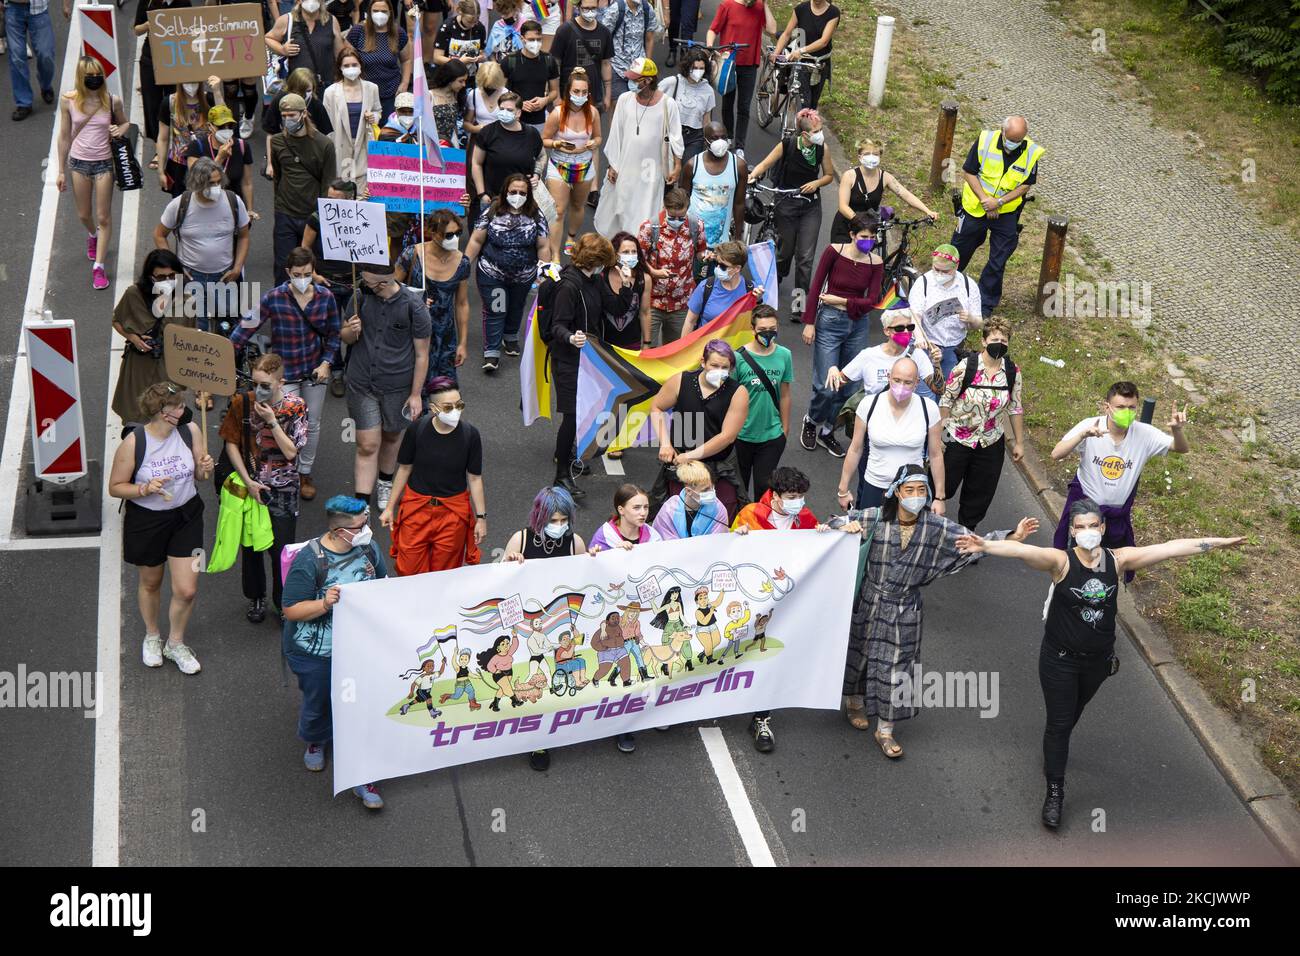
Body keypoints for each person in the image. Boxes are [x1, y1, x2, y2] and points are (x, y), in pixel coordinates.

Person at [955, 499, 1243, 828]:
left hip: (1098, 663)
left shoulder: (1118, 560)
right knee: (1060, 723)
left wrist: (1217, 543)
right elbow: (1023, 553)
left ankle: (1054, 749)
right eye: (1080, 527)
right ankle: (1055, 792)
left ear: (1103, 528)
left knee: (1073, 713)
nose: (1088, 532)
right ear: (1072, 531)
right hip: (1059, 661)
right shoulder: (1060, 562)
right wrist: (987, 545)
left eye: (1094, 526)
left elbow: (1171, 548)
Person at [832, 463, 1035, 756]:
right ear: (896, 492)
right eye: (909, 489)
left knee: (897, 668)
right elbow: (834, 524)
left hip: (905, 609)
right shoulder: (875, 518)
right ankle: (854, 700)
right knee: (859, 653)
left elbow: (973, 542)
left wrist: (1010, 536)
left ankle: (885, 730)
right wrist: (845, 525)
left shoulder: (935, 527)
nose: (915, 495)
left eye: (921, 490)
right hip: (869, 601)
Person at [282, 494, 390, 808]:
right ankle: (315, 739)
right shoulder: (309, 561)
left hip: (359, 651)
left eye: (366, 522)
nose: (367, 530)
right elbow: (291, 609)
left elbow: (383, 582)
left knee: (361, 711)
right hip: (316, 654)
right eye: (360, 526)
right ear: (338, 532)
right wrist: (324, 603)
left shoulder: (368, 547)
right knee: (319, 704)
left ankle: (363, 776)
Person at [108, 382, 215, 676]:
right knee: (151, 582)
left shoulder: (190, 430)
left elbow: (201, 476)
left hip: (188, 516)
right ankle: (152, 636)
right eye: (175, 407)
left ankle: (175, 643)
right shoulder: (134, 442)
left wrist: (205, 466)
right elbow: (115, 487)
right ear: (159, 412)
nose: (182, 411)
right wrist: (144, 488)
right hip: (147, 521)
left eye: (182, 405)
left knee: (187, 589)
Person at [233, 247, 340, 502]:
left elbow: (335, 335)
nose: (301, 278)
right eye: (296, 274)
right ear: (287, 273)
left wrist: (327, 362)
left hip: (314, 372)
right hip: (285, 375)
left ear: (313, 271)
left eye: (306, 273)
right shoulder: (274, 298)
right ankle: (285, 469)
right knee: (282, 422)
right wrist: (220, 355)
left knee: (311, 424)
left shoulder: (326, 297)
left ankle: (304, 472)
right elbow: (245, 328)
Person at [1049, 381, 1190, 561]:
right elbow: (1056, 454)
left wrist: (1177, 430)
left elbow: (1181, 448)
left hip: (1115, 519)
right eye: (1121, 407)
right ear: (1107, 407)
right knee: (1073, 563)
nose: (1127, 412)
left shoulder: (1144, 434)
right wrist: (1082, 436)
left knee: (1107, 566)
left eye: (1132, 407)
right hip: (1085, 516)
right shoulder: (1090, 425)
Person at [729, 464, 817, 753]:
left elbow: (819, 547)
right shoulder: (750, 515)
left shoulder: (804, 518)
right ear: (776, 496)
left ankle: (761, 717)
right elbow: (726, 553)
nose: (798, 501)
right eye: (792, 495)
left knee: (768, 655)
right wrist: (736, 539)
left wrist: (834, 533)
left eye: (801, 495)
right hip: (751, 602)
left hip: (786, 604)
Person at [501, 484, 587, 771]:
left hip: (558, 627)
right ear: (540, 516)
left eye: (564, 521)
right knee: (530, 678)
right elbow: (498, 584)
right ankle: (528, 733)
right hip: (528, 627)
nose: (559, 526)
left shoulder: (575, 543)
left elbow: (585, 579)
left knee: (552, 680)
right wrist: (510, 563)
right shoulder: (521, 539)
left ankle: (543, 736)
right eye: (554, 521)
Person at [219, 353, 308, 623]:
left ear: (281, 382)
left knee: (282, 550)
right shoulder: (241, 403)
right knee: (252, 547)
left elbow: (292, 452)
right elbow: (231, 443)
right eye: (254, 383)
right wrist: (247, 481)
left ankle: (283, 603)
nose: (258, 391)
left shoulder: (296, 407)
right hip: (251, 487)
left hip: (283, 491)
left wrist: (272, 421)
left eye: (265, 385)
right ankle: (256, 597)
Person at [342, 261, 432, 510]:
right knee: (367, 443)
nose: (363, 286)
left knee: (392, 437)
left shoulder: (414, 306)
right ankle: (361, 503)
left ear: (383, 283)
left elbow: (422, 354)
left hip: (397, 385)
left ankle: (385, 481)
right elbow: (345, 337)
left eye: (368, 283)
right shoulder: (359, 298)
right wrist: (351, 330)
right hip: (362, 383)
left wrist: (415, 395)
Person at [796, 211, 883, 457]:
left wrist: (842, 300)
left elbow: (873, 300)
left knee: (848, 385)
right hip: (830, 322)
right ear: (852, 235)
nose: (868, 241)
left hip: (858, 325)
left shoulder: (875, 263)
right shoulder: (834, 252)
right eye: (863, 236)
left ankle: (827, 430)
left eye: (872, 237)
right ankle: (812, 420)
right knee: (825, 385)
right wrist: (809, 321)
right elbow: (815, 287)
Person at [381, 377, 486, 573]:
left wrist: (481, 518)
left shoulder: (470, 435)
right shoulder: (417, 429)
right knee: (408, 570)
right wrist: (389, 508)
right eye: (448, 407)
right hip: (416, 509)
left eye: (459, 405)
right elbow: (404, 468)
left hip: (452, 515)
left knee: (444, 574)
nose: (455, 411)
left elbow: (474, 478)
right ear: (433, 408)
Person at [951, 115, 1044, 313]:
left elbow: (1025, 185)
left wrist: (999, 203)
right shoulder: (985, 141)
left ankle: (984, 305)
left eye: (1018, 141)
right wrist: (987, 200)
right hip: (975, 207)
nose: (1014, 144)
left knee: (998, 259)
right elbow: (969, 172)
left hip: (1006, 212)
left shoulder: (1031, 152)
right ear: (1002, 132)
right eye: (1011, 139)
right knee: (960, 250)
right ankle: (944, 285)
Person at [548, 233, 617, 497]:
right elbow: (557, 326)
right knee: (572, 416)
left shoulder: (594, 280)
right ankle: (561, 476)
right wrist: (571, 337)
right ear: (594, 261)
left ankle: (564, 456)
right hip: (568, 360)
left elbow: (614, 308)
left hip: (588, 359)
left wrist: (623, 287)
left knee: (583, 412)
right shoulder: (568, 287)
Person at [747, 108, 834, 316]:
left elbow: (829, 175)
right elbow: (765, 164)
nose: (821, 134)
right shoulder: (787, 145)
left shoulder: (823, 149)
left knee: (805, 258)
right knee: (785, 252)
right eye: (817, 130)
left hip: (810, 206)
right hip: (785, 205)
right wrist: (752, 177)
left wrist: (817, 183)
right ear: (804, 135)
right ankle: (773, 287)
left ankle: (799, 304)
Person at [650, 339, 750, 518]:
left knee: (722, 517)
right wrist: (665, 443)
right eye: (714, 365)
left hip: (719, 468)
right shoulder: (681, 381)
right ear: (702, 361)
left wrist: (690, 455)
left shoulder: (738, 392)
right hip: (682, 467)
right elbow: (656, 407)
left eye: (724, 368)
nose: (719, 372)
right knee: (679, 517)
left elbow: (727, 437)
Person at [939, 318, 1023, 531]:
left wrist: (1018, 443)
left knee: (979, 493)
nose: (1000, 343)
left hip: (990, 441)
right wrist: (939, 436)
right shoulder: (966, 367)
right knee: (942, 486)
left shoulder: (1012, 372)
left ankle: (967, 535)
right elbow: (946, 401)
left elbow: (1015, 407)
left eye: (1004, 340)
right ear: (984, 341)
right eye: (995, 339)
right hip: (957, 438)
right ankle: (929, 527)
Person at [154, 158, 251, 337]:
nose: (216, 187)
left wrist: (237, 268)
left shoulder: (233, 202)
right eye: (210, 183)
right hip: (191, 278)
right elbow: (159, 235)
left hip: (226, 277)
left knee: (227, 331)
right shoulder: (179, 205)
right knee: (196, 333)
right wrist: (177, 268)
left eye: (218, 182)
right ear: (196, 184)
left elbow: (244, 236)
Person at [57, 55, 128, 291]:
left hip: (104, 164)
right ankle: (92, 234)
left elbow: (126, 124)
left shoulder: (111, 100)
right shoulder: (68, 101)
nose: (96, 79)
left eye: (99, 75)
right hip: (79, 163)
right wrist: (60, 170)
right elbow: (64, 136)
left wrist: (120, 128)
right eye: (90, 76)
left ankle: (99, 266)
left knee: (104, 217)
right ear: (81, 78)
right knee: (84, 214)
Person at [837, 356, 946, 511]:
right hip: (875, 486)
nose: (901, 386)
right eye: (897, 380)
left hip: (911, 490)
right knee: (871, 534)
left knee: (908, 534)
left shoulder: (928, 409)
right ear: (889, 378)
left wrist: (939, 497)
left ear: (916, 383)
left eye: (908, 382)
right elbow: (855, 449)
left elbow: (935, 455)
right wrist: (843, 489)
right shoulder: (869, 405)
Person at [465, 172, 549, 370]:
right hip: (492, 273)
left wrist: (544, 273)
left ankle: (510, 335)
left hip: (524, 276)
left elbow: (544, 246)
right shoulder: (492, 211)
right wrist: (464, 265)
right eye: (513, 191)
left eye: (522, 192)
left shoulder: (536, 215)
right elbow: (476, 240)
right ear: (505, 192)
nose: (517, 195)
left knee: (516, 306)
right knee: (497, 309)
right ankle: (491, 352)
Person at [594, 57, 684, 240]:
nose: (631, 82)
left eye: (635, 79)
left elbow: (676, 137)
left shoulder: (668, 104)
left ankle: (637, 250)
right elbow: (616, 134)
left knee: (645, 211)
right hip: (625, 167)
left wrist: (677, 165)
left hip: (651, 172)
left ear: (648, 80)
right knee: (619, 208)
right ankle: (618, 251)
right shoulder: (624, 100)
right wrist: (612, 165)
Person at [111, 251, 194, 426]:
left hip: (170, 368)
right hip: (139, 366)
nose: (168, 280)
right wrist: (133, 338)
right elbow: (117, 320)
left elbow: (191, 338)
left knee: (168, 417)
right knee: (136, 415)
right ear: (151, 277)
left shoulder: (187, 301)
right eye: (161, 277)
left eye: (172, 275)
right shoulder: (134, 294)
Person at [269, 92, 338, 285]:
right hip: (285, 213)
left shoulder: (324, 144)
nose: (287, 119)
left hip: (313, 215)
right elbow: (278, 176)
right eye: (283, 116)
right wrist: (279, 204)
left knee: (313, 268)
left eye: (291, 115)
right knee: (283, 267)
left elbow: (328, 183)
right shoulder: (277, 142)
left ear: (304, 113)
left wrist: (321, 216)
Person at [395, 208, 470, 386]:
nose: (455, 239)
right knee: (411, 389)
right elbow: (391, 288)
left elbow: (462, 303)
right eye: (448, 235)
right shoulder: (411, 254)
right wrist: (413, 297)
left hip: (444, 338)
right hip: (412, 333)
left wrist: (462, 343)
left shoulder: (463, 262)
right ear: (433, 233)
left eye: (458, 233)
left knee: (443, 392)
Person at [542, 68, 603, 257]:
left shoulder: (592, 112)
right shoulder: (557, 113)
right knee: (558, 211)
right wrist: (557, 143)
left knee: (578, 206)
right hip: (559, 164)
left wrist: (594, 142)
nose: (580, 95)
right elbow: (544, 139)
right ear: (568, 91)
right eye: (576, 92)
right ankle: (555, 255)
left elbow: (599, 137)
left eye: (584, 92)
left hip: (584, 165)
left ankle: (571, 237)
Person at [734, 304, 791, 500]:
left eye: (772, 330)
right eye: (762, 331)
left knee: (763, 492)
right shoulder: (738, 357)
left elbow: (784, 394)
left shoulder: (784, 355)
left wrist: (784, 430)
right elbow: (730, 398)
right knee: (738, 491)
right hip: (741, 436)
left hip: (771, 437)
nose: (768, 334)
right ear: (752, 330)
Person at [829, 139, 936, 243]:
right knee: (843, 259)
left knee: (864, 260)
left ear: (880, 156)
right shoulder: (849, 176)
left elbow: (905, 194)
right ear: (859, 157)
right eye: (867, 154)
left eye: (875, 154)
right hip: (846, 227)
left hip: (867, 232)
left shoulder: (885, 177)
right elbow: (843, 206)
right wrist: (859, 221)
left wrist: (927, 211)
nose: (871, 157)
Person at [638, 187, 707, 346]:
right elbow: (638, 260)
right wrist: (654, 272)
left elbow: (700, 252)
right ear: (665, 207)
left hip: (682, 302)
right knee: (648, 350)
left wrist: (706, 257)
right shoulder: (650, 228)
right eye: (672, 216)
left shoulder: (696, 226)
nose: (676, 220)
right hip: (652, 301)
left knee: (675, 351)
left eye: (681, 217)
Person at [706, 0, 776, 158]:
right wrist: (710, 46)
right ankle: (728, 136)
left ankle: (740, 146)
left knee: (744, 107)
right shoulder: (727, 6)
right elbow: (713, 29)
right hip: (728, 64)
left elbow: (772, 29)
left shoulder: (759, 7)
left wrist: (764, 4)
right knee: (727, 103)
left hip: (749, 65)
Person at [908, 243, 982, 380]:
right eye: (936, 269)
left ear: (956, 267)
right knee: (926, 390)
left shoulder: (968, 285)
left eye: (945, 271)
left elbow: (979, 323)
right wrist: (919, 337)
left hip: (954, 347)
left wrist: (971, 318)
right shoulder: (923, 283)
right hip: (928, 345)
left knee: (947, 390)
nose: (940, 274)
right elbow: (915, 315)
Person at [186, 105, 258, 228]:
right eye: (221, 126)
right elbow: (197, 181)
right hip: (204, 208)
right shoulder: (197, 147)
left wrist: (249, 210)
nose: (227, 130)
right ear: (210, 126)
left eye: (230, 126)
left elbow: (247, 182)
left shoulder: (242, 146)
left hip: (232, 208)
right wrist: (219, 158)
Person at [322, 46, 383, 191]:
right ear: (340, 68)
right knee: (342, 191)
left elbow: (378, 111)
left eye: (354, 65)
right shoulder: (330, 92)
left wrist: (374, 117)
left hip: (363, 145)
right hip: (339, 146)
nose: (351, 68)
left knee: (363, 192)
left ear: (360, 65)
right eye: (346, 65)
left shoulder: (372, 88)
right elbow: (326, 124)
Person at [135, 0, 196, 142]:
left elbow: (191, 28)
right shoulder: (147, 2)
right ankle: (158, 144)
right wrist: (148, 24)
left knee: (175, 101)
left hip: (174, 59)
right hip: (151, 58)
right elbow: (136, 30)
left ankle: (177, 142)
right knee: (152, 103)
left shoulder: (184, 2)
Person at [470, 90, 544, 207]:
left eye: (509, 110)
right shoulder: (487, 132)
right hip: (493, 199)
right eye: (502, 109)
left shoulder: (531, 134)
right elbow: (476, 163)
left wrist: (537, 174)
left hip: (522, 199)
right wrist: (482, 194)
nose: (504, 113)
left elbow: (541, 156)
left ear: (518, 113)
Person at [680, 121, 747, 247]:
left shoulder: (738, 166)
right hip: (691, 240)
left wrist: (738, 238)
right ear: (706, 142)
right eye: (715, 138)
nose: (720, 141)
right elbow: (682, 201)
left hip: (720, 244)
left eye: (723, 137)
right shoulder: (692, 165)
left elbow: (739, 204)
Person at [345, 0, 411, 119]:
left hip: (390, 92)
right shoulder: (358, 31)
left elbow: (406, 60)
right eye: (375, 11)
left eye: (383, 11)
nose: (379, 14)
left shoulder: (398, 32)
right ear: (369, 12)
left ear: (390, 13)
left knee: (388, 131)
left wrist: (405, 83)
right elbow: (346, 59)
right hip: (363, 91)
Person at [266, 0, 346, 96]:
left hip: (326, 85)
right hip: (297, 86)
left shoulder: (331, 21)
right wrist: (282, 49)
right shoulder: (288, 20)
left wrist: (343, 78)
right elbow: (268, 38)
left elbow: (340, 55)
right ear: (299, 1)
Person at [771, 0, 839, 110]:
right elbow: (787, 34)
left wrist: (801, 51)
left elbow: (824, 41)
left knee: (812, 104)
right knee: (804, 103)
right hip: (801, 61)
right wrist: (776, 53)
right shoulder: (801, 9)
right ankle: (794, 123)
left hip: (819, 62)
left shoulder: (833, 13)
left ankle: (802, 123)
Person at [550, 0, 615, 116]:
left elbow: (606, 63)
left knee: (592, 132)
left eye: (593, 8)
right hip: (568, 96)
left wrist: (607, 95)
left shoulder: (604, 32)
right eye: (586, 8)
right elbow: (555, 64)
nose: (590, 12)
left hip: (594, 96)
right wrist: (556, 97)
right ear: (578, 7)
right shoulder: (564, 31)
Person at [681, 239, 756, 334]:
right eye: (717, 263)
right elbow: (690, 321)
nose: (718, 268)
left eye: (723, 266)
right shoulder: (706, 287)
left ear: (737, 268)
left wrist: (759, 298)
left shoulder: (751, 289)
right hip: (706, 347)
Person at [155, 80, 211, 198]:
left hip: (207, 163)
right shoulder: (169, 103)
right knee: (182, 206)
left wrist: (217, 92)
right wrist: (161, 170)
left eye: (194, 81)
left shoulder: (210, 100)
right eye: (187, 81)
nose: (191, 85)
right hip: (179, 166)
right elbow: (163, 139)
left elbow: (225, 121)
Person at [502, 19, 559, 134]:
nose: (535, 43)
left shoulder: (548, 60)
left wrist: (545, 100)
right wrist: (518, 103)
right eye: (531, 40)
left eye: (538, 40)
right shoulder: (510, 60)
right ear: (522, 39)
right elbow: (500, 91)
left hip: (539, 121)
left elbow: (554, 92)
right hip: (513, 118)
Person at [6, 0, 60, 122]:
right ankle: (23, 102)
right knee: (17, 57)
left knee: (46, 54)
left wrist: (66, 4)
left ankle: (45, 85)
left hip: (38, 9)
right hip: (12, 7)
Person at [659, 48, 715, 163]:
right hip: (671, 134)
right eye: (694, 68)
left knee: (688, 173)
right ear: (687, 67)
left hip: (694, 138)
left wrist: (709, 143)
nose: (698, 71)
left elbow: (706, 120)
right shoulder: (671, 82)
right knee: (667, 173)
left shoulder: (708, 91)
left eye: (701, 68)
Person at [650, 459, 730, 539]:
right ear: (688, 491)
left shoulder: (718, 509)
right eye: (705, 490)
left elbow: (718, 541)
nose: (711, 492)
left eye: (712, 487)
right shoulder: (669, 509)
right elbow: (662, 541)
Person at [599, 231, 649, 351]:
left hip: (632, 344)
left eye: (634, 252)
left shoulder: (645, 279)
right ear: (615, 255)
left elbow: (645, 312)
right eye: (626, 252)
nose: (630, 255)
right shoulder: (601, 277)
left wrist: (647, 343)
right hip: (604, 343)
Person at [601, 0, 659, 97]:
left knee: (639, 103)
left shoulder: (647, 9)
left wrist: (647, 65)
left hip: (639, 69)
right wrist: (607, 65)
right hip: (618, 67)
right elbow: (604, 37)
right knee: (618, 104)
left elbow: (649, 39)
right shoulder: (615, 9)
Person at [588, 483, 663, 552]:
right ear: (621, 510)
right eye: (636, 507)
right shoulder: (605, 535)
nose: (643, 513)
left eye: (646, 507)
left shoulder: (653, 537)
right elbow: (592, 565)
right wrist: (613, 554)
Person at [434, 0, 487, 74]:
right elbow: (437, 58)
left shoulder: (479, 28)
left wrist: (481, 57)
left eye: (475, 21)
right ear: (460, 12)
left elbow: (482, 52)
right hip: (451, 77)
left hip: (471, 76)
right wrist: (459, 62)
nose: (472, 25)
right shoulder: (447, 27)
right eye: (469, 21)